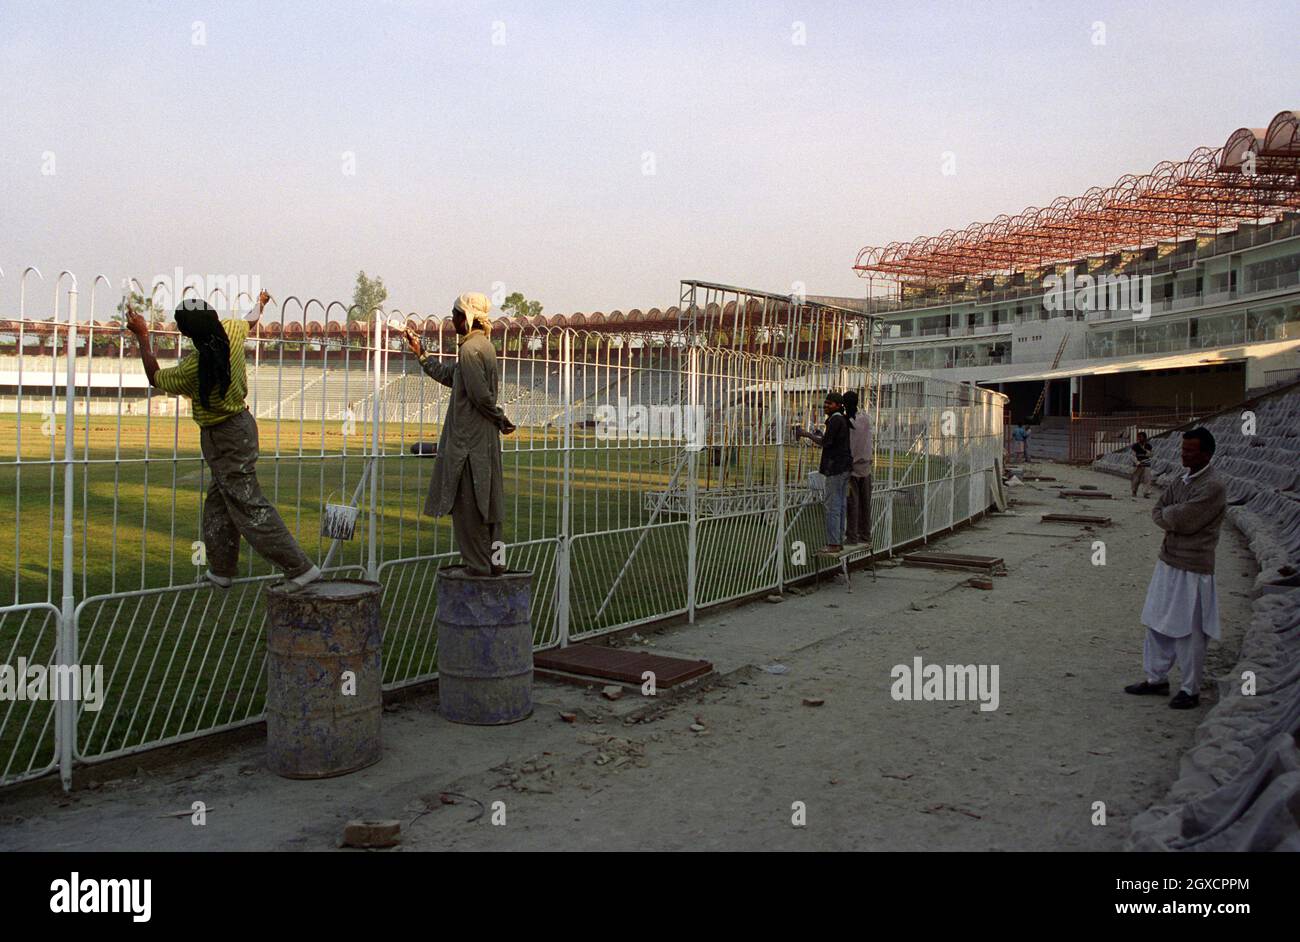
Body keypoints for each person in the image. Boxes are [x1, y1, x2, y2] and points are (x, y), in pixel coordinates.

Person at [125, 294, 320, 590]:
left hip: (222, 436)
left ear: (188, 334)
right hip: (240, 427)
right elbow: (251, 321)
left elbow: (154, 376)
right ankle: (222, 569)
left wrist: (142, 335)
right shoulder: (231, 330)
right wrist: (261, 304)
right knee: (218, 504)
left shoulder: (193, 368)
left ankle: (299, 568)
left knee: (248, 505)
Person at [403, 293, 516, 576]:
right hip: (482, 438)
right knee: (490, 502)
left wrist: (501, 419)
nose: (452, 320)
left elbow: (480, 395)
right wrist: (421, 353)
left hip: (469, 441)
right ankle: (496, 562)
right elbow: (450, 376)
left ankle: (478, 567)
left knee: (470, 505)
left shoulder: (469, 351)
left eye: (455, 314)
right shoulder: (482, 347)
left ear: (466, 317)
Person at [1125, 427, 1226, 709]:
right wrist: (1171, 516)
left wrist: (1171, 516)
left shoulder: (1213, 486)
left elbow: (1183, 519)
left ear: (1206, 454)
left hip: (1193, 566)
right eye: (1183, 450)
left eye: (1190, 451)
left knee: (1189, 630)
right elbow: (1160, 510)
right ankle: (1156, 678)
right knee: (1155, 620)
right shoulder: (1182, 480)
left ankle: (1189, 688)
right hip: (1168, 560)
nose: (1184, 455)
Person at [793, 392, 852, 554]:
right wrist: (819, 435)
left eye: (830, 404)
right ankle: (838, 540)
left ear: (838, 406)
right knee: (840, 505)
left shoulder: (836, 420)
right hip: (844, 467)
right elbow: (832, 440)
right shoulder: (842, 420)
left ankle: (833, 543)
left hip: (835, 468)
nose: (826, 406)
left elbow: (826, 443)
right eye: (825, 403)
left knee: (832, 505)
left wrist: (807, 434)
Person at [841, 390, 873, 547]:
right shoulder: (865, 419)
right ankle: (865, 535)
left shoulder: (846, 422)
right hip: (866, 467)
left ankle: (852, 536)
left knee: (852, 504)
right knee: (865, 504)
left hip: (851, 469)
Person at [1130, 430, 1153, 499]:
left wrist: (1145, 450)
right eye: (1139, 437)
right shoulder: (1135, 446)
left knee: (1147, 479)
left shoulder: (1148, 446)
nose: (1140, 439)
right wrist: (1137, 462)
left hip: (1146, 464)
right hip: (1138, 464)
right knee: (1136, 479)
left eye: (1141, 437)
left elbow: (1151, 455)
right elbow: (1132, 456)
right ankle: (1134, 491)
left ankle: (1146, 492)